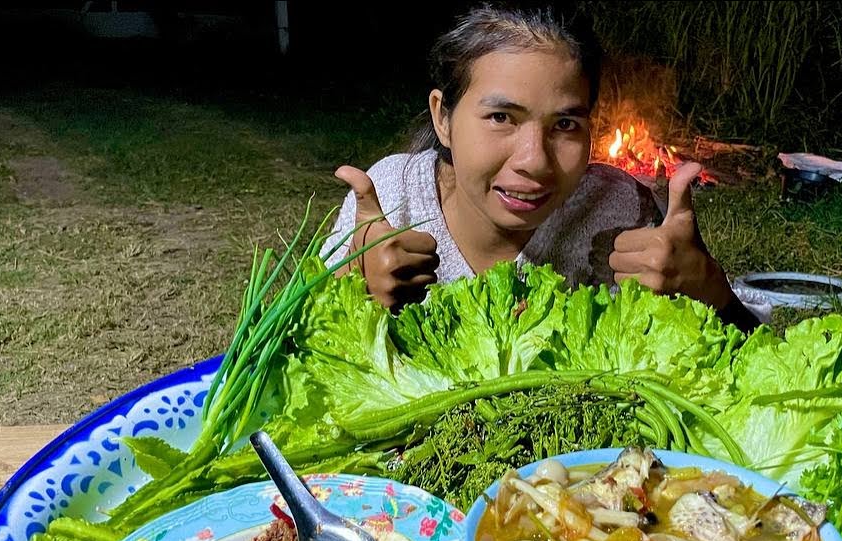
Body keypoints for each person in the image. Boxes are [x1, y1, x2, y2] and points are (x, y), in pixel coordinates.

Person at [325, 3, 763, 331]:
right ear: (443, 117)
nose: (535, 161)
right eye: (501, 118)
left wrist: (711, 291)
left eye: (566, 124)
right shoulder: (389, 199)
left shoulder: (619, 213)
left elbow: (749, 376)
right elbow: (286, 369)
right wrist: (348, 288)